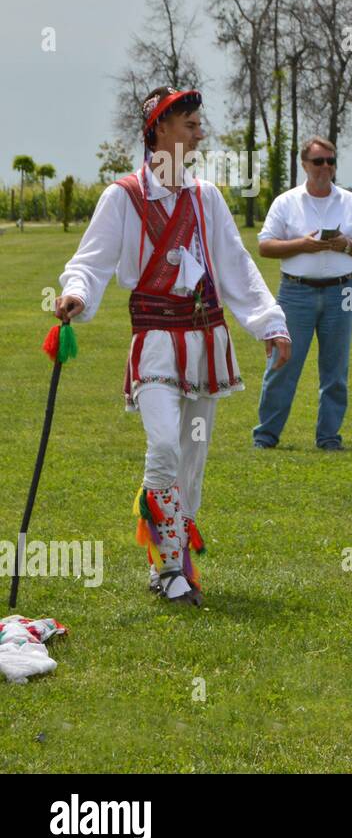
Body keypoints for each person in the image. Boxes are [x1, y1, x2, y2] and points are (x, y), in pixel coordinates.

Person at [54, 87, 291, 606]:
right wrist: (75, 294)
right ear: (160, 129)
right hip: (156, 343)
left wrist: (270, 323)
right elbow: (91, 262)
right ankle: (168, 569)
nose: (199, 133)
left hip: (206, 340)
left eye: (198, 124)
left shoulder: (206, 198)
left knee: (191, 460)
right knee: (163, 444)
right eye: (189, 124)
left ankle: (172, 558)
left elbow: (236, 266)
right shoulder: (123, 197)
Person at [252, 137, 352, 450]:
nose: (326, 168)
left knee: (336, 369)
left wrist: (346, 244)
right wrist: (300, 245)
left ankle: (328, 437)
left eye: (331, 161)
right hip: (296, 292)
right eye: (319, 161)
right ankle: (266, 436)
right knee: (282, 363)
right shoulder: (286, 202)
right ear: (304, 164)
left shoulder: (350, 202)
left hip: (341, 292)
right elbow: (265, 245)